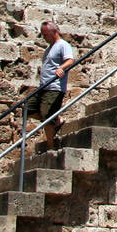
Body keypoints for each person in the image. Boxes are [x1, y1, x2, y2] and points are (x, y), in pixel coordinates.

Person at [31, 21, 74, 151]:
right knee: (29, 109)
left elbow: (70, 60)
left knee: (46, 115)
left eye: (46, 34)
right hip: (44, 87)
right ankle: (57, 120)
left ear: (54, 32)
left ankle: (50, 147)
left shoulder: (63, 45)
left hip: (54, 87)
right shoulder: (49, 48)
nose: (44, 37)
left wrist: (62, 68)